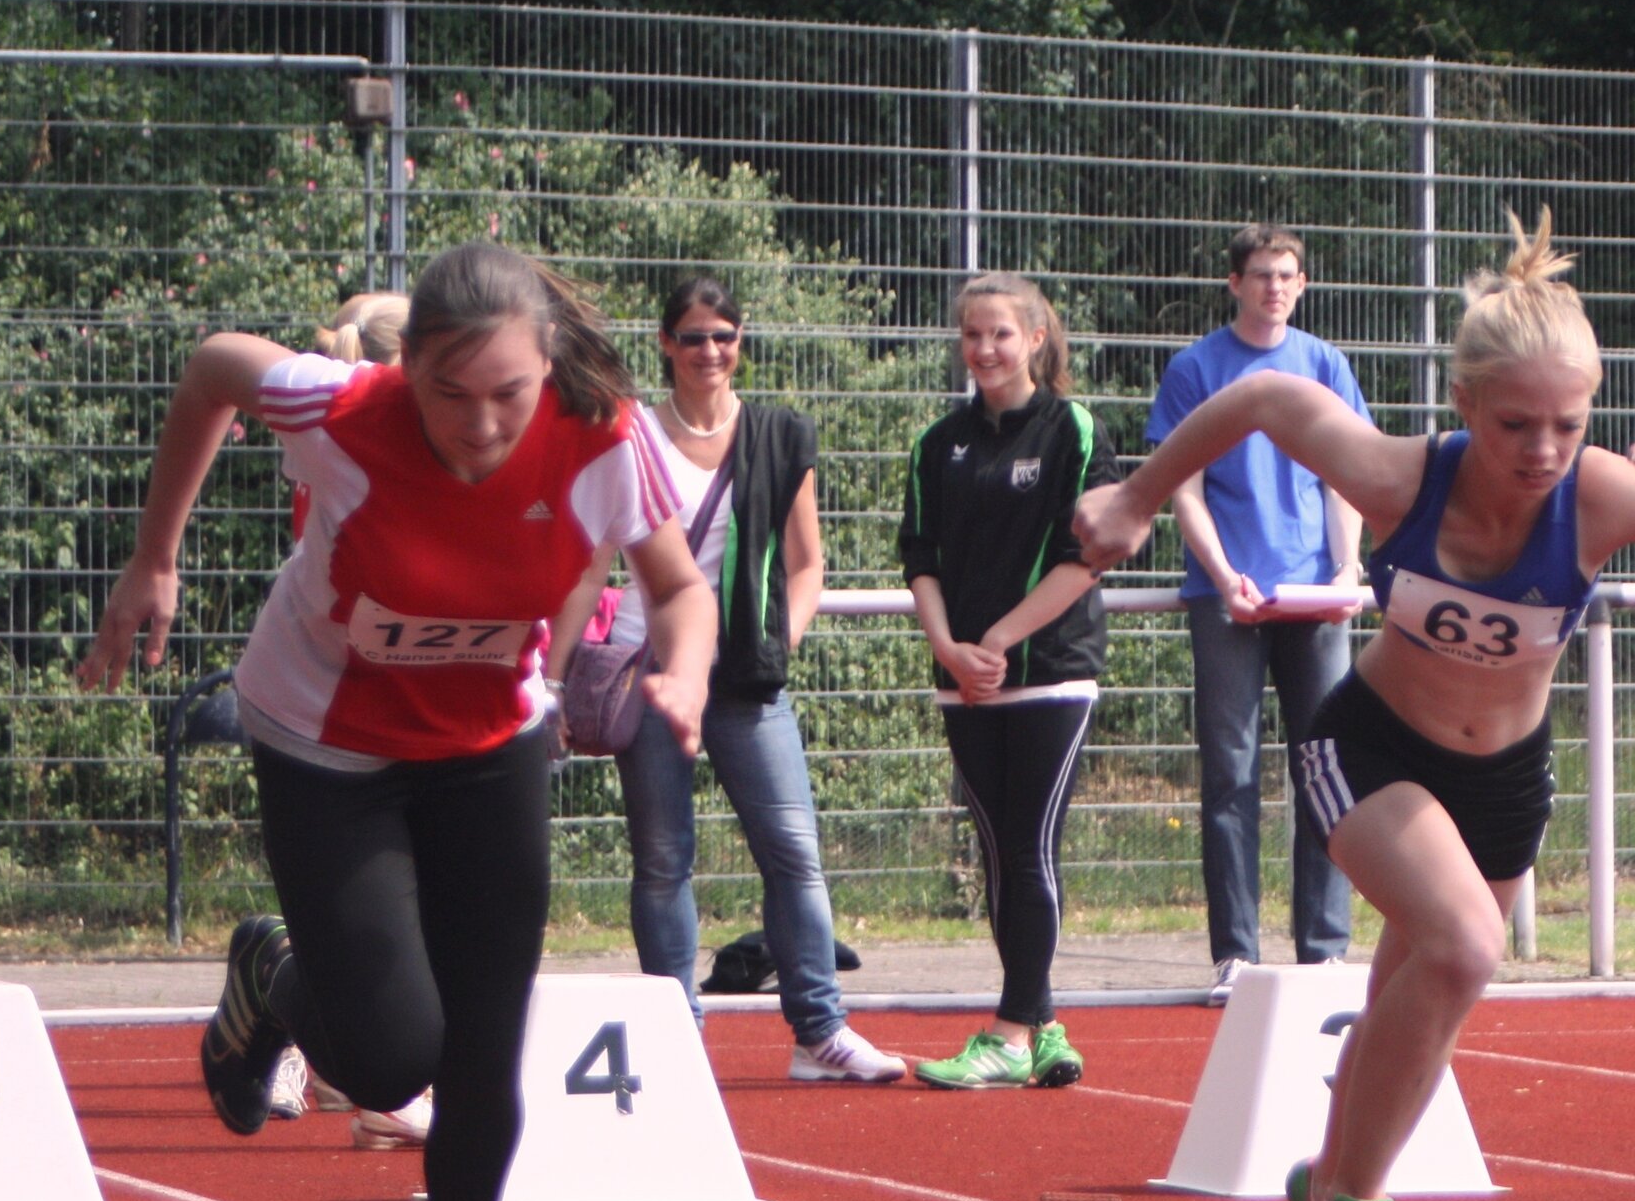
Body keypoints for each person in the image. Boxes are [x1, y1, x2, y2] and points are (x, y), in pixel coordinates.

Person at [1075, 210, 1635, 1201]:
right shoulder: (1400, 478)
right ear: (1465, 405)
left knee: (1417, 1001)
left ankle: (1323, 1174)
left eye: (1568, 425)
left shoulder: (1604, 496)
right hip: (1373, 747)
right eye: (1516, 424)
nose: (1542, 451)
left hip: (1503, 786)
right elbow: (1263, 399)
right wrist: (1137, 498)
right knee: (1467, 946)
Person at [77, 242, 716, 1201]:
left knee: (484, 1045)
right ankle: (274, 973)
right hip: (327, 745)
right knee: (386, 1061)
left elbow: (679, 588)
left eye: (509, 394)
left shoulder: (604, 436)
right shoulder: (339, 407)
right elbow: (213, 366)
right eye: (451, 394)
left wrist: (689, 672)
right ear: (406, 366)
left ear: (549, 367)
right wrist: (153, 559)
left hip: (488, 747)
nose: (481, 426)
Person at [547, 277, 903, 1083]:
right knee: (663, 861)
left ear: (740, 342)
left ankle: (821, 1031)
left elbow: (807, 564)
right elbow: (591, 565)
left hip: (746, 677)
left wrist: (780, 639)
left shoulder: (778, 434)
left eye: (724, 336)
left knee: (794, 852)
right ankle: (676, 1034)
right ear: (665, 344)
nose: (710, 351)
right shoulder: (630, 435)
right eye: (693, 336)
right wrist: (553, 681)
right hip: (650, 671)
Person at [901, 273, 1120, 1089]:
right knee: (1000, 853)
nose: (985, 349)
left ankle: (1010, 1031)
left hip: (1048, 675)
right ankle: (1043, 1022)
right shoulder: (937, 444)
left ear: (1034, 338)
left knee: (1029, 847)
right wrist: (951, 648)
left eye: (1000, 334)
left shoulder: (1074, 429)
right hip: (964, 679)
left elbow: (1086, 557)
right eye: (972, 335)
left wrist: (998, 638)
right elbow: (920, 559)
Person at [1147, 225, 1370, 1000]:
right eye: (1261, 274)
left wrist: (1346, 568)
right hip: (1226, 599)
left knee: (1327, 770)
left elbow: (1347, 475)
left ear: (1302, 285)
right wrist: (1222, 575)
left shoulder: (1326, 364)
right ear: (1234, 284)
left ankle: (1324, 951)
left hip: (1315, 598)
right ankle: (1235, 955)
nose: (1275, 286)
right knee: (1230, 775)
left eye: (1287, 274)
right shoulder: (1195, 369)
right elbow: (1182, 487)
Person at [264, 289, 439, 1151]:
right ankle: (311, 1039)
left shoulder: (340, 426)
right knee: (374, 891)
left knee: (369, 892)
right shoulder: (359, 431)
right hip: (356, 685)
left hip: (364, 676)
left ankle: (343, 1063)